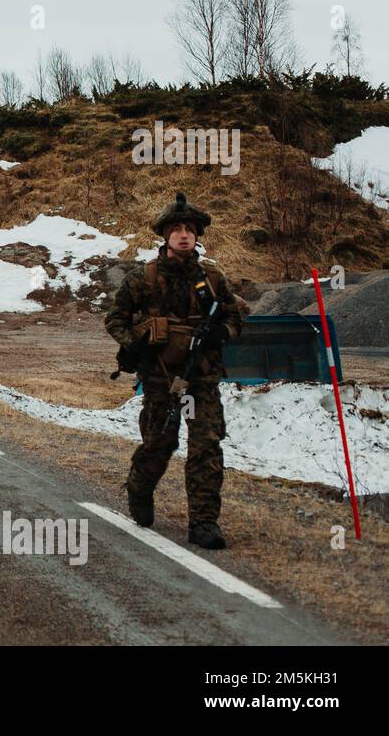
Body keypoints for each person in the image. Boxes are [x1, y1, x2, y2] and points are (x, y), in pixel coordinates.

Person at [104, 193, 244, 550]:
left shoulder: (212, 278)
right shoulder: (144, 278)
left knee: (206, 447)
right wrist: (138, 338)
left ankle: (203, 522)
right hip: (160, 377)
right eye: (177, 229)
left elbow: (236, 315)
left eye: (189, 230)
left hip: (202, 377)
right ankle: (139, 487)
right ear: (165, 236)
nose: (184, 235)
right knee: (160, 443)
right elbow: (115, 319)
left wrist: (222, 332)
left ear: (197, 236)